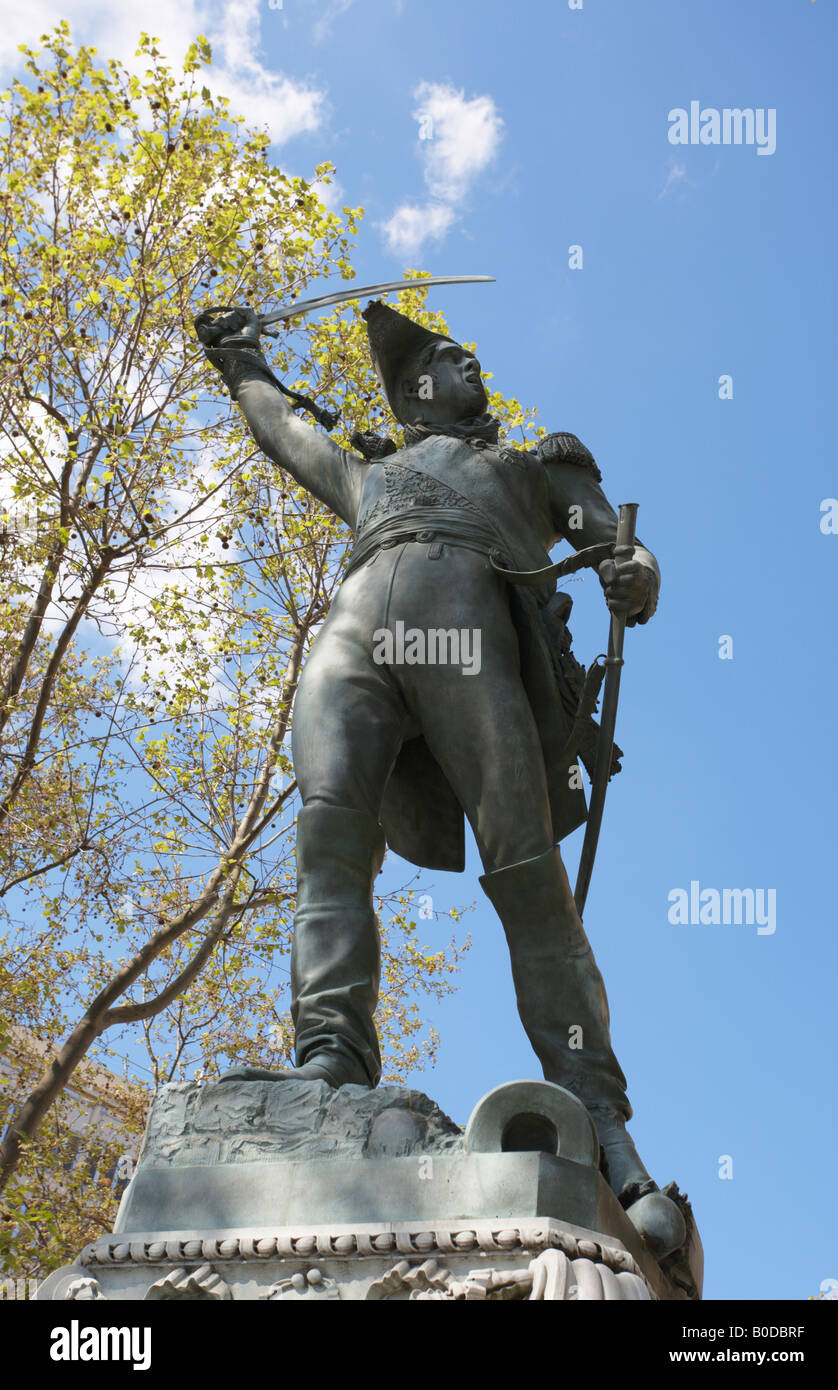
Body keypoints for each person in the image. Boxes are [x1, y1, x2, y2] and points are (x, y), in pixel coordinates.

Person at [195, 299, 683, 1249]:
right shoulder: (365, 473)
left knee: (524, 870)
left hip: (468, 633)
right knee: (329, 841)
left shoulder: (534, 470)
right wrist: (237, 356)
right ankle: (331, 1053)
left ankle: (603, 1124)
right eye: (454, 359)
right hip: (347, 643)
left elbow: (621, 547)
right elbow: (278, 426)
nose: (471, 370)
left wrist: (639, 574)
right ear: (415, 389)